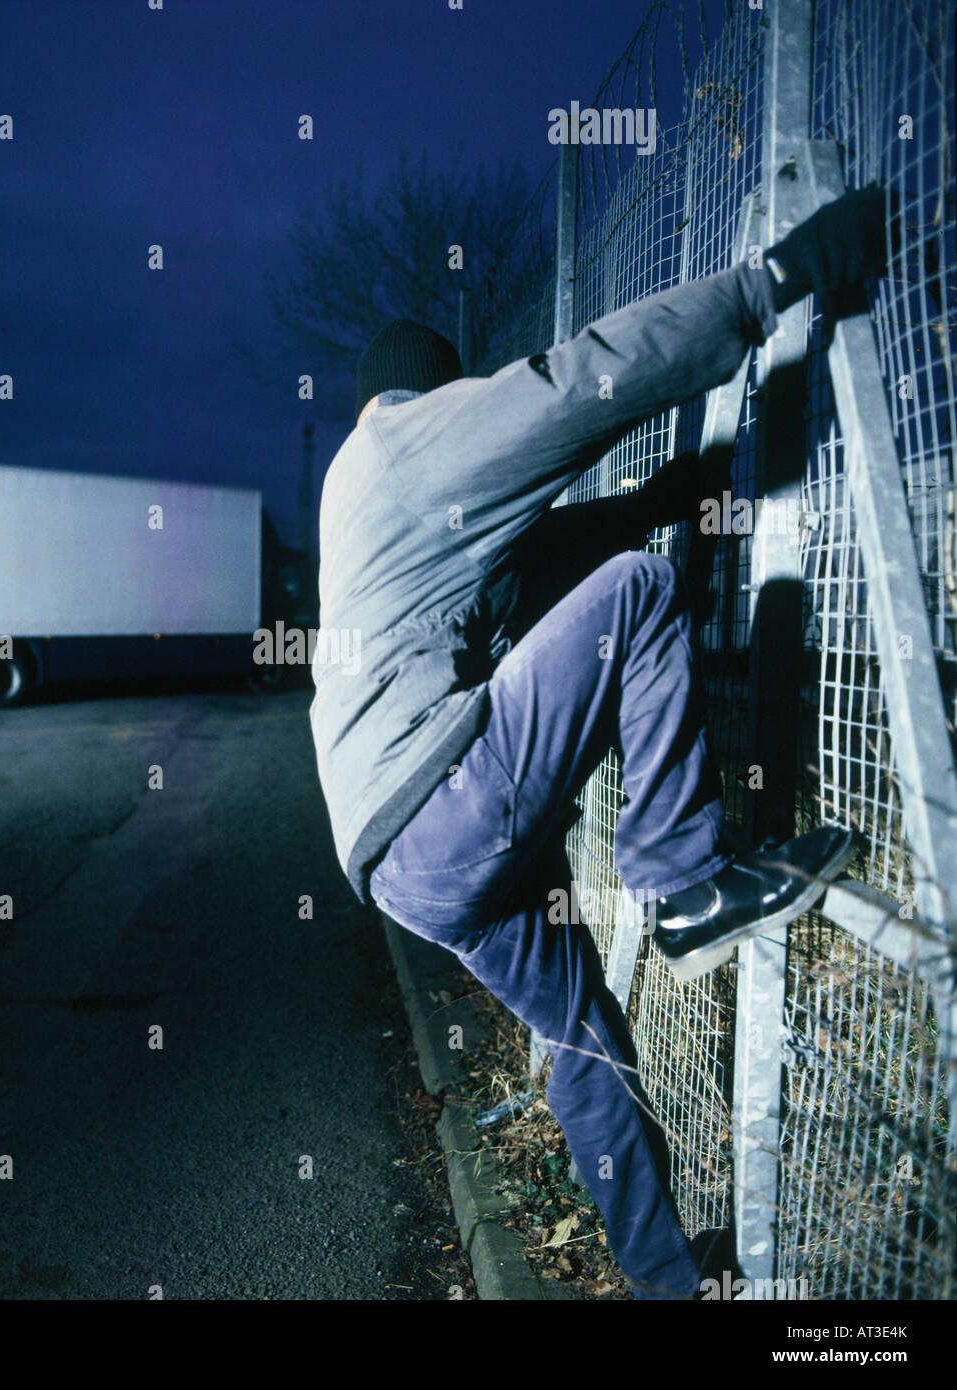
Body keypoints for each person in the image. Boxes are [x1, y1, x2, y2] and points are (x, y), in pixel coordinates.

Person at [308, 186, 888, 1299]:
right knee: (637, 594)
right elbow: (578, 381)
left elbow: (532, 555)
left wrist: (661, 494)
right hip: (441, 800)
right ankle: (681, 888)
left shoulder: (359, 507)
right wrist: (769, 285)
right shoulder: (412, 440)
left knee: (583, 1039)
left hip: (400, 870)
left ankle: (668, 1286)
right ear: (431, 392)